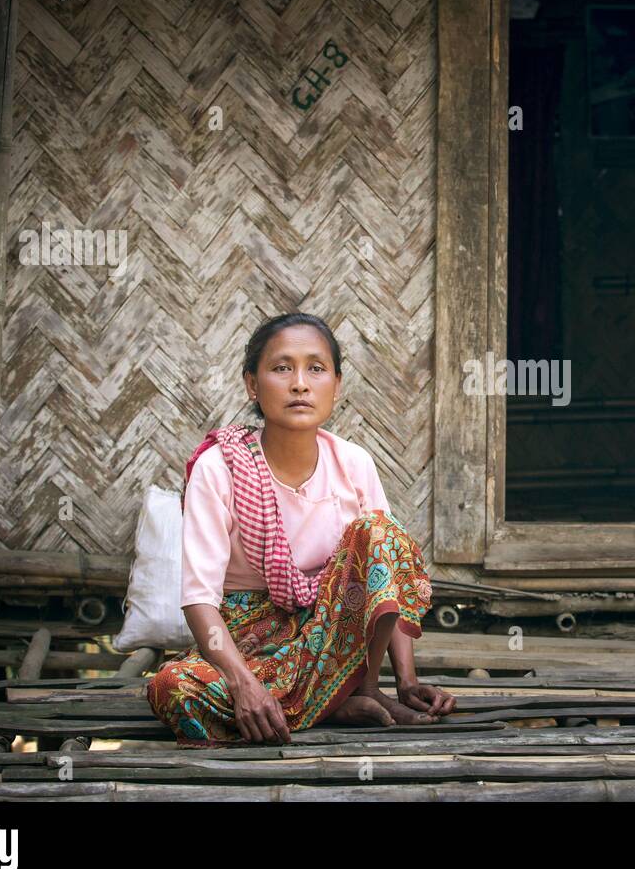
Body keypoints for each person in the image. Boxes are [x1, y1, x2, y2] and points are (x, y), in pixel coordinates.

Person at [146, 312, 456, 746]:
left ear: (336, 384)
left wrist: (407, 681)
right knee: (171, 688)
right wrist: (241, 683)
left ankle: (365, 691)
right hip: (249, 646)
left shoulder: (353, 463)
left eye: (316, 368)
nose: (299, 383)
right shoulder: (220, 468)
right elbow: (199, 598)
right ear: (252, 384)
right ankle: (335, 706)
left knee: (379, 530)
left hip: (333, 640)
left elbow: (385, 575)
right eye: (281, 368)